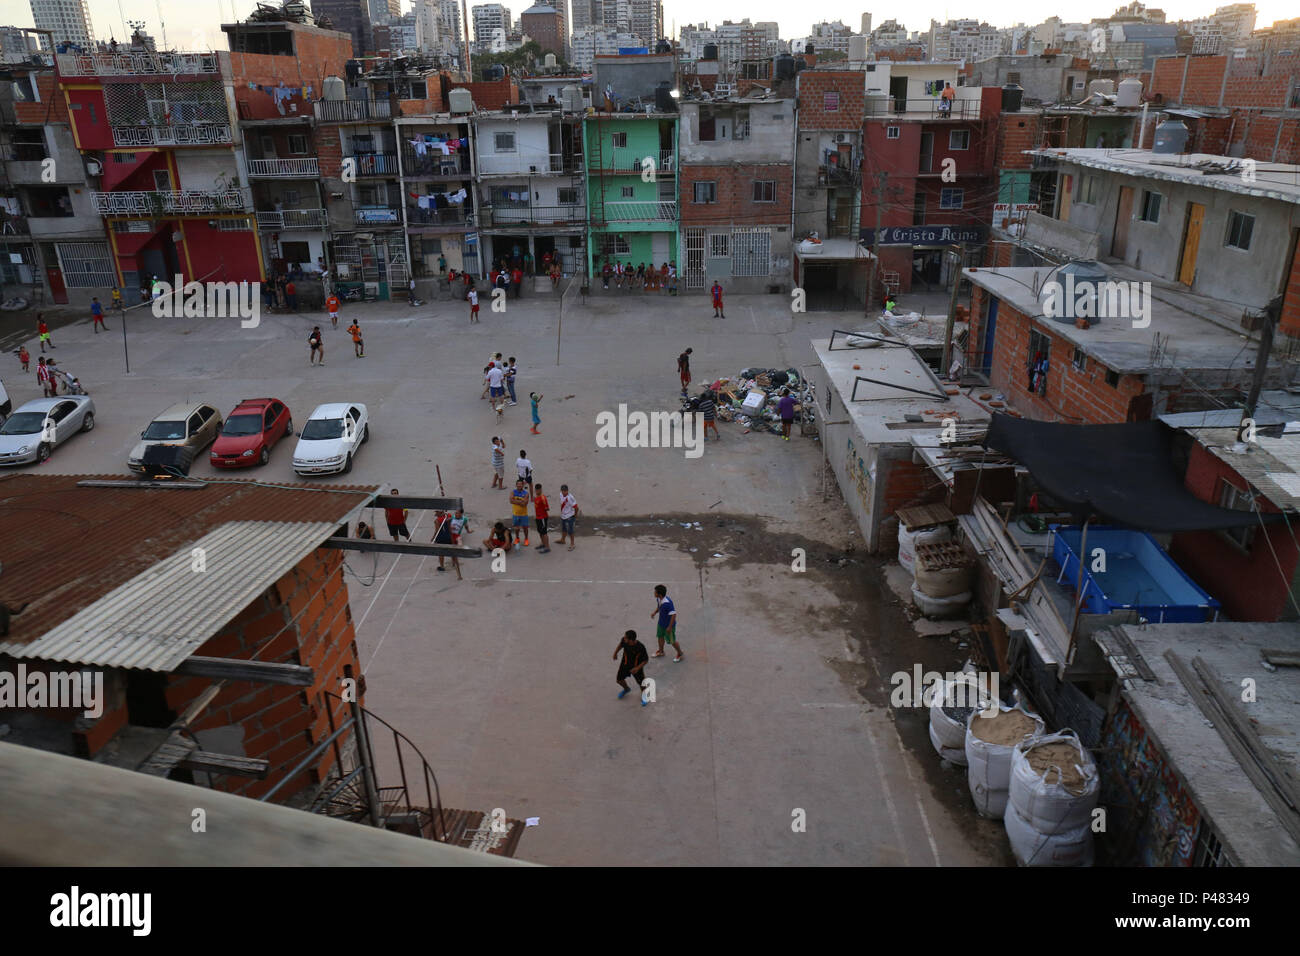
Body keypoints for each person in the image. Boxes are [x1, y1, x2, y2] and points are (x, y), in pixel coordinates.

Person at [613, 630, 650, 704]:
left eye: (626, 637)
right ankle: (626, 689)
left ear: (631, 640)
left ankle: (645, 696)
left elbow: (646, 660)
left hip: (636, 668)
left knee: (641, 683)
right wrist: (615, 653)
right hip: (625, 664)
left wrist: (637, 668)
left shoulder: (640, 647)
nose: (624, 638)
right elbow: (620, 645)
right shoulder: (624, 641)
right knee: (619, 680)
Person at [650, 584, 683, 662]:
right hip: (661, 623)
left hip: (668, 626)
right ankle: (661, 652)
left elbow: (673, 615)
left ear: (659, 594)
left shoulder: (668, 603)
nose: (654, 593)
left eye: (655, 592)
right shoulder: (658, 599)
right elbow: (659, 607)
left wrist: (670, 627)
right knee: (660, 637)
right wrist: (654, 612)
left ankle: (680, 653)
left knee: (672, 641)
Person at [509, 479, 531, 548]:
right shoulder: (513, 492)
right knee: (516, 528)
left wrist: (515, 500)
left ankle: (526, 539)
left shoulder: (526, 493)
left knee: (525, 528)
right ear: (516, 485)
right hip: (516, 514)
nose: (519, 485)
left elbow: (525, 504)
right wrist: (521, 501)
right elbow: (511, 501)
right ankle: (517, 538)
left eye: (520, 484)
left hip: (524, 514)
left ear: (523, 485)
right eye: (518, 484)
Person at [557, 484, 578, 551]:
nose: (564, 492)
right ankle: (563, 540)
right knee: (564, 529)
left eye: (565, 491)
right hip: (563, 515)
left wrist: (575, 515)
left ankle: (572, 544)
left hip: (570, 516)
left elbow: (576, 508)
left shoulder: (570, 498)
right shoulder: (560, 494)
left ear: (567, 491)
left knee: (570, 531)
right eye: (562, 491)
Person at [533, 483, 551, 552]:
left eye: (538, 489)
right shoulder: (536, 497)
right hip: (538, 518)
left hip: (543, 518)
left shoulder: (543, 498)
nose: (537, 491)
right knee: (540, 532)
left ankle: (547, 547)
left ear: (541, 489)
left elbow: (547, 508)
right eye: (536, 489)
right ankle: (543, 543)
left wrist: (541, 511)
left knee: (544, 532)